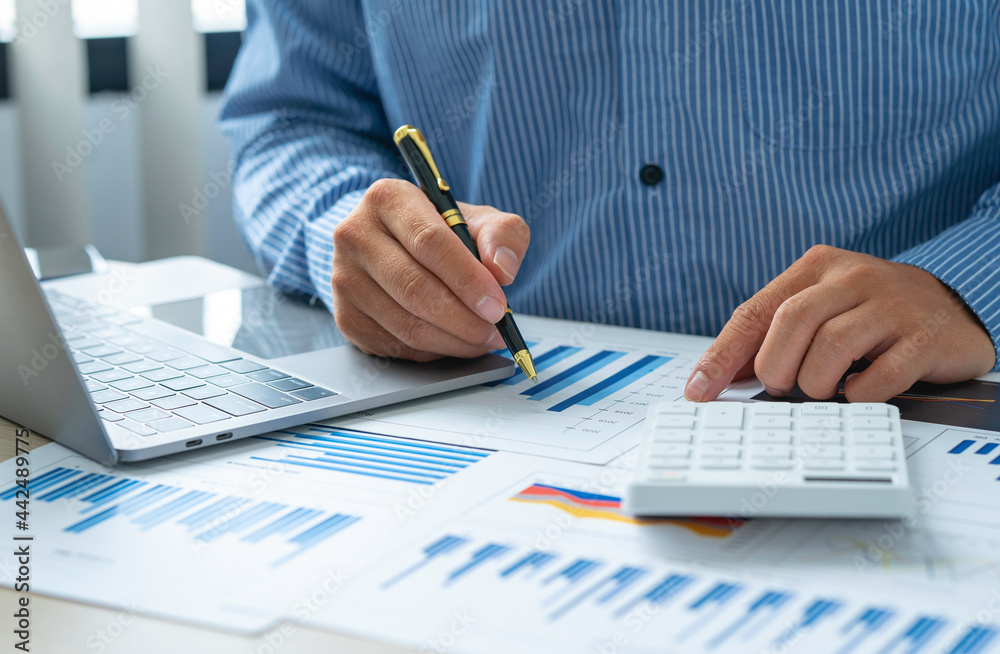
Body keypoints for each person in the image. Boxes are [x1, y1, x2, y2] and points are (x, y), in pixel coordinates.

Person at [219, 1, 1000, 404]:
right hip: (492, 412)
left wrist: (963, 286)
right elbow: (293, 121)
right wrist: (353, 237)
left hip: (915, 402)